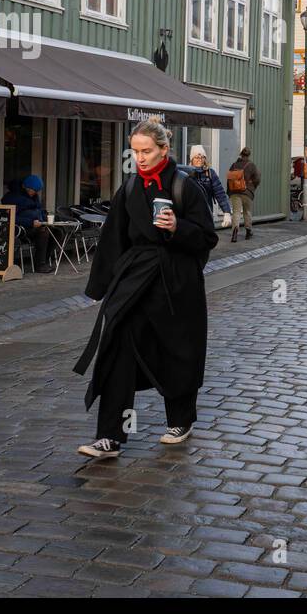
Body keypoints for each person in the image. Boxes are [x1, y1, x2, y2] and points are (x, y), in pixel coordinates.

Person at [73, 118, 219, 458]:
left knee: (178, 351)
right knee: (117, 352)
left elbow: (207, 237)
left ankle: (180, 419)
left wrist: (177, 228)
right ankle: (110, 435)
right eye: (135, 151)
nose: (140, 158)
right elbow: (114, 240)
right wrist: (103, 289)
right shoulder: (129, 189)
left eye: (147, 151)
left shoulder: (186, 187)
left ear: (164, 149)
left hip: (176, 284)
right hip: (135, 282)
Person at [3, 175, 54, 273]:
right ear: (26, 187)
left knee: (56, 231)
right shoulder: (12, 198)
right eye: (33, 190)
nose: (35, 193)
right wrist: (30, 223)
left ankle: (45, 260)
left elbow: (38, 209)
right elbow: (11, 217)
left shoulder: (34, 196)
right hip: (21, 228)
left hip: (35, 224)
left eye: (36, 191)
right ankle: (40, 265)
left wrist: (44, 218)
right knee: (44, 232)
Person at [179, 144, 232, 231]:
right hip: (189, 215)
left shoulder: (210, 173)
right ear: (192, 159)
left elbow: (220, 193)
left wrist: (227, 212)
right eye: (196, 157)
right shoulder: (185, 173)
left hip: (206, 214)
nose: (200, 160)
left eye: (202, 157)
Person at [225, 146, 260, 242]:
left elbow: (229, 179)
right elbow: (257, 179)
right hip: (247, 192)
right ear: (248, 155)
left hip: (235, 193)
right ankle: (248, 232)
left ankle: (235, 233)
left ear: (241, 154)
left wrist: (229, 192)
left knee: (236, 212)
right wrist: (252, 188)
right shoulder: (251, 165)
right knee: (247, 212)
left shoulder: (234, 165)